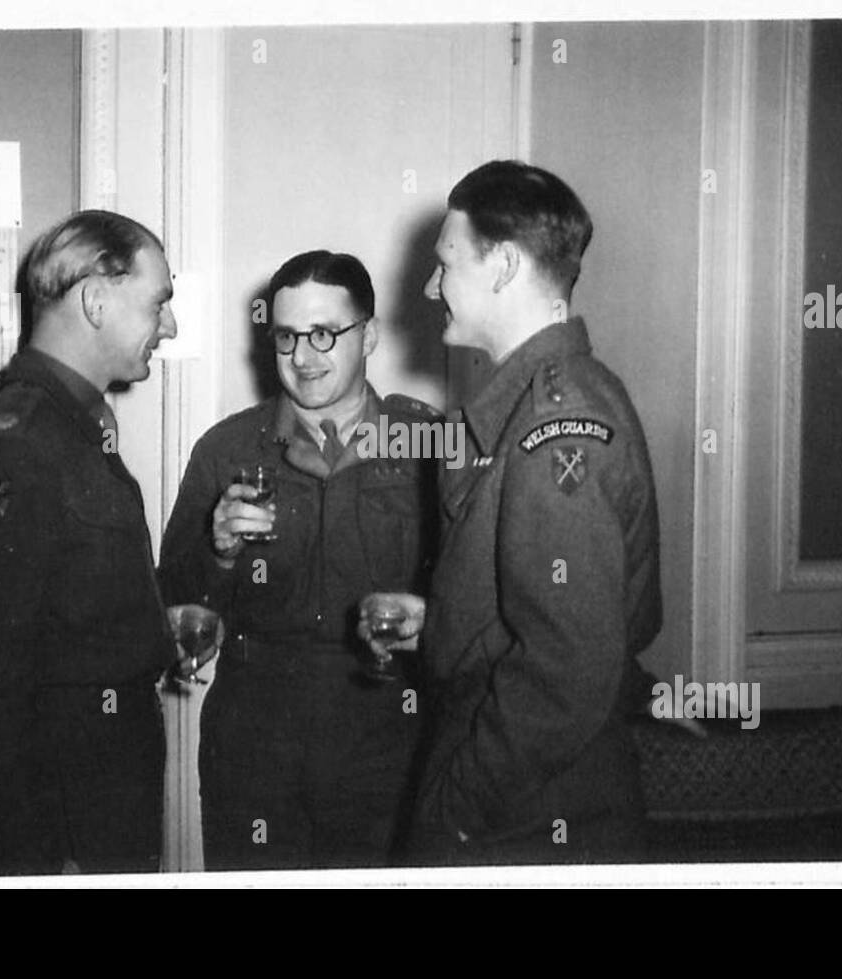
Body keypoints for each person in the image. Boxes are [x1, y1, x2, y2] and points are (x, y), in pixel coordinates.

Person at [364, 160, 663, 865]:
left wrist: (458, 804)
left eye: (445, 264)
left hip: (527, 809)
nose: (432, 286)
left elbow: (565, 671)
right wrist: (449, 622)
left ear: (500, 266)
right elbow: (553, 607)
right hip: (536, 784)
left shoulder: (557, 425)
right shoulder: (547, 400)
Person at [0, 209, 179, 875]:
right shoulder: (22, 445)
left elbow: (64, 613)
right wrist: (29, 862)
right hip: (62, 836)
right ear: (95, 299)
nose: (168, 327)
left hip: (99, 806)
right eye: (159, 303)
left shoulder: (68, 428)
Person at [158, 250, 437, 870]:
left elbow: (469, 597)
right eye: (286, 338)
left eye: (323, 335)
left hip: (388, 735)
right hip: (256, 742)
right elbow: (174, 601)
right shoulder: (226, 448)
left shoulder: (427, 445)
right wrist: (219, 549)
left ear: (369, 336)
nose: (303, 358)